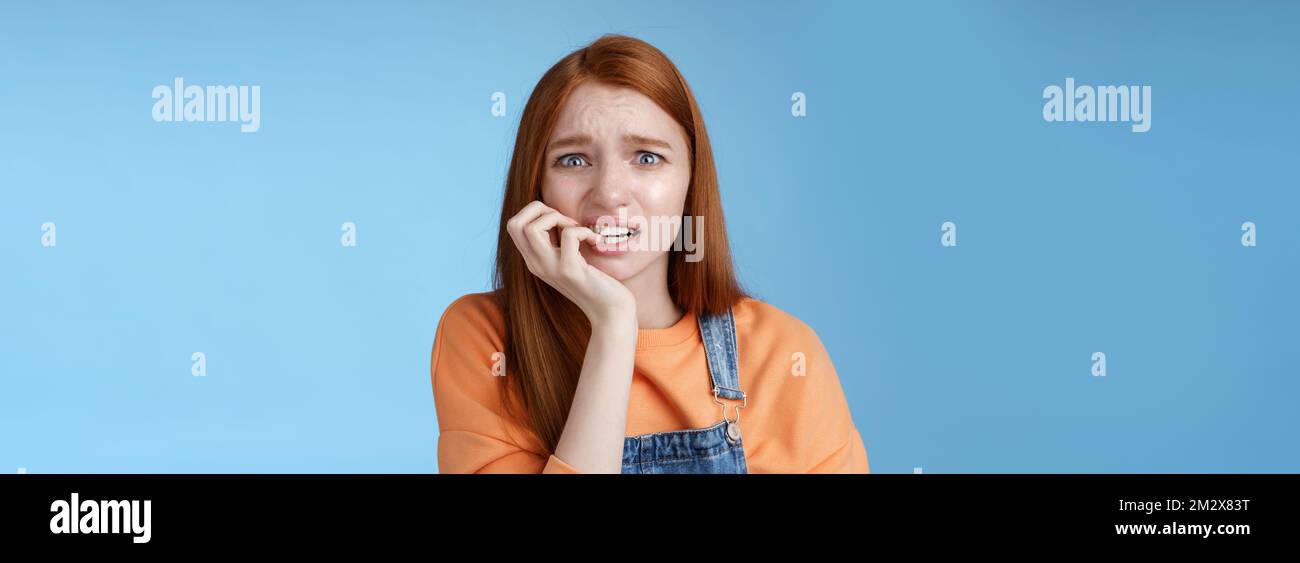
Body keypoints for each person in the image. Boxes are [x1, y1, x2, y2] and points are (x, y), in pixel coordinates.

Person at [431, 34, 869, 474]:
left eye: (646, 157)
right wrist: (613, 325)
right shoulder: (486, 340)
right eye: (574, 160)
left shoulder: (787, 354)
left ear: (691, 181)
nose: (609, 194)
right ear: (536, 183)